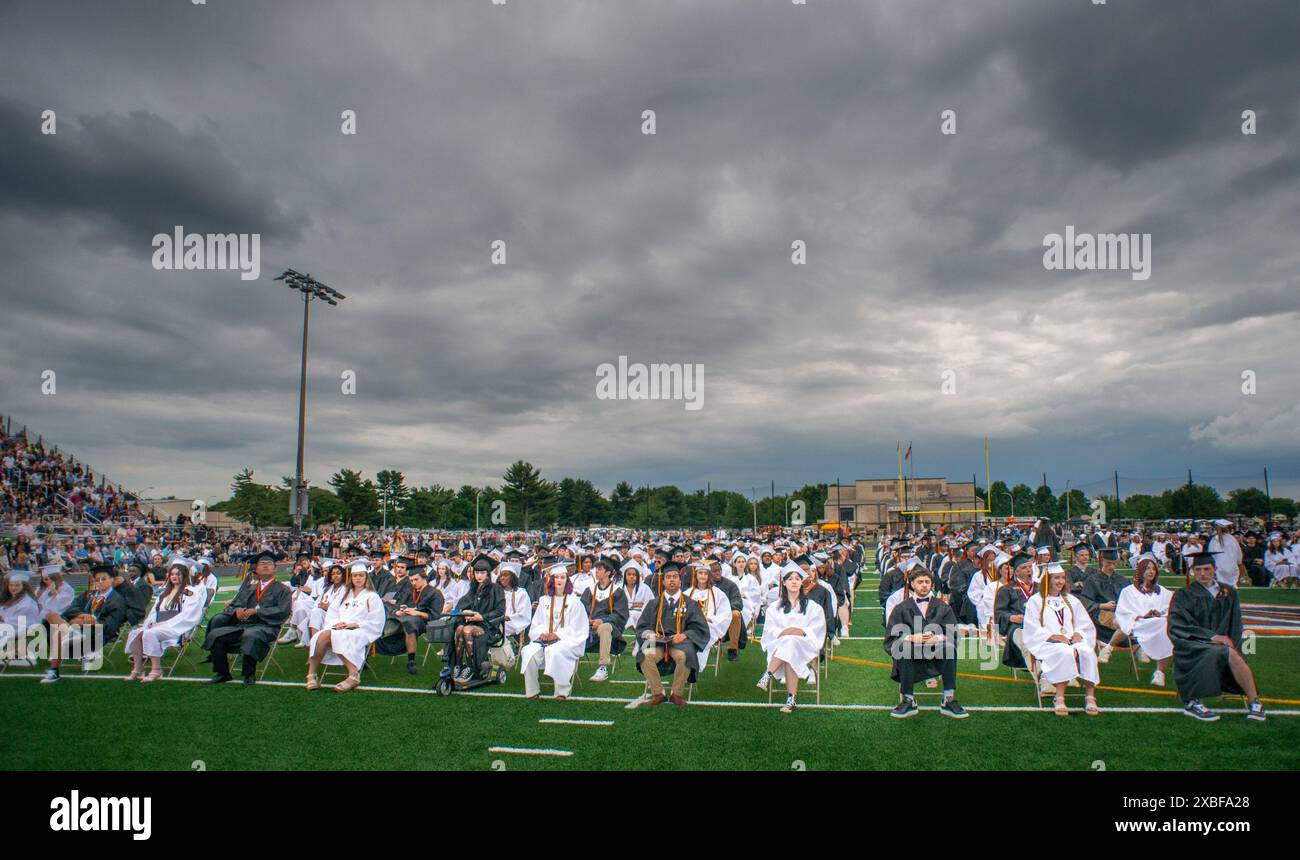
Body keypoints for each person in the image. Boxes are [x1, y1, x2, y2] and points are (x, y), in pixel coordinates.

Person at [1168, 550, 1266, 722]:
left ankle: (1255, 702)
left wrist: (1234, 644)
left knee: (1231, 652)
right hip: (1192, 643)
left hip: (1223, 645)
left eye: (1206, 569)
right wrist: (1211, 636)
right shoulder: (1184, 594)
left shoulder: (1228, 592)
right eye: (1198, 570)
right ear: (1193, 571)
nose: (1202, 573)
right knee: (1217, 651)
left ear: (1215, 569)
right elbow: (1177, 625)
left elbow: (1236, 623)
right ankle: (1193, 702)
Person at [882, 567, 966, 719]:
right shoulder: (901, 608)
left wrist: (938, 638)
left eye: (927, 582)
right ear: (912, 584)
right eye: (920, 582)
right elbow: (891, 636)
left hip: (937, 654)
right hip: (911, 654)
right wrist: (911, 637)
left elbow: (953, 633)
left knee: (949, 648)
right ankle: (908, 699)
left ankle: (948, 698)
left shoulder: (942, 607)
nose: (924, 585)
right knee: (904, 648)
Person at [201, 550, 292, 685]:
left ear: (275, 568)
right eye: (262, 564)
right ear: (256, 569)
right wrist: (237, 610)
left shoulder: (283, 589)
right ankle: (223, 673)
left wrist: (257, 611)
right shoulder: (250, 587)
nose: (265, 566)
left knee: (251, 635)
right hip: (243, 625)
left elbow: (283, 611)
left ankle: (249, 674)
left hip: (266, 627)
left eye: (269, 564)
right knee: (215, 635)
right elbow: (236, 603)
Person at [1023, 566, 1100, 716]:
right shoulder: (1036, 601)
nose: (1060, 581)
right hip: (1047, 643)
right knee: (1063, 651)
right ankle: (1059, 697)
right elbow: (1032, 627)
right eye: (1056, 578)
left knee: (1087, 652)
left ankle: (1090, 696)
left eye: (1062, 578)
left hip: (1072, 640)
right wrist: (1053, 636)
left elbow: (1084, 622)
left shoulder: (1071, 600)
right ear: (1048, 580)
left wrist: (1078, 632)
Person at [634, 561, 709, 707]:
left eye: (675, 576)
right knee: (645, 655)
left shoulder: (690, 603)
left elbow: (700, 627)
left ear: (680, 581)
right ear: (663, 581)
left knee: (685, 656)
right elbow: (642, 626)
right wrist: (649, 634)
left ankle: (677, 694)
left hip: (680, 641)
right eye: (668, 577)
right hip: (657, 640)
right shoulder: (653, 603)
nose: (672, 580)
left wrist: (685, 635)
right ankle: (658, 693)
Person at [758, 567, 827, 714]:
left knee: (790, 641)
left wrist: (790, 632)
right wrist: (792, 632)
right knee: (790, 646)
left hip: (806, 645)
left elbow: (815, 629)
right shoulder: (774, 607)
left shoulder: (812, 607)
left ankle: (768, 674)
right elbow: (770, 631)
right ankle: (791, 700)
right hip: (781, 645)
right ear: (784, 583)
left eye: (797, 579)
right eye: (790, 579)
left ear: (802, 582)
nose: (794, 582)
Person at [41, 564, 127, 683]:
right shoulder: (88, 595)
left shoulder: (117, 600)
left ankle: (54, 671)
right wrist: (80, 617)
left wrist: (92, 621)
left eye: (104, 579)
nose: (100, 582)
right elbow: (71, 609)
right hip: (76, 628)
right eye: (97, 580)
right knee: (50, 615)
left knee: (59, 634)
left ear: (112, 579)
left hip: (96, 633)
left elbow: (111, 626)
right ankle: (71, 633)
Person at [306, 563, 385, 692]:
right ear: (351, 578)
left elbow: (377, 620)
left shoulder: (372, 596)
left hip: (361, 630)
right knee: (319, 636)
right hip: (340, 628)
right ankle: (311, 675)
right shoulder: (345, 595)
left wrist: (353, 624)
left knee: (336, 636)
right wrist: (337, 624)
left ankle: (353, 675)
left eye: (361, 575)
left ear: (366, 577)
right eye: (355, 576)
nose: (358, 578)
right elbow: (332, 612)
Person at [124, 562, 205, 682]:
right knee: (135, 633)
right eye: (172, 574)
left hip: (176, 628)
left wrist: (165, 624)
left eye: (178, 574)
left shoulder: (190, 592)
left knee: (150, 634)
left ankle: (156, 669)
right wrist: (151, 622)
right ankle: (138, 668)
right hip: (159, 625)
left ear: (184, 575)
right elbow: (154, 612)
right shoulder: (164, 593)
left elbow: (189, 615)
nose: (174, 576)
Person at [519, 565, 589, 699]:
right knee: (527, 651)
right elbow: (536, 623)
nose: (559, 580)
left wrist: (557, 635)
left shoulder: (575, 602)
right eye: (556, 577)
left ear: (567, 581)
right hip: (544, 639)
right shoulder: (544, 600)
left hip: (567, 641)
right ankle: (532, 691)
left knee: (555, 651)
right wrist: (542, 634)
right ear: (551, 580)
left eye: (563, 577)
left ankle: (562, 691)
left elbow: (578, 627)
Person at [1114, 554, 1173, 687]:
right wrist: (1141, 616)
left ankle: (1160, 672)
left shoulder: (1162, 591)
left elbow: (1169, 609)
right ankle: (1146, 651)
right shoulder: (1128, 591)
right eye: (1147, 569)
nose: (1151, 572)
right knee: (1163, 625)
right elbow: (1123, 612)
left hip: (1159, 624)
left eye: (1153, 569)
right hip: (1139, 625)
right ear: (1140, 571)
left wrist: (1160, 613)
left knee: (1165, 624)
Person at [375, 565, 443, 672]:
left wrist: (417, 613)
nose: (413, 582)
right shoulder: (409, 591)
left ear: (424, 577)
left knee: (409, 622)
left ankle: (411, 661)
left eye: (416, 579)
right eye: (411, 580)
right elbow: (398, 604)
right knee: (383, 622)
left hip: (423, 622)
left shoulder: (435, 593)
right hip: (402, 619)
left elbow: (435, 616)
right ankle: (369, 652)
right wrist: (397, 611)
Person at [451, 556, 505, 682]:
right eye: (476, 572)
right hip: (472, 624)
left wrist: (482, 617)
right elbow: (461, 604)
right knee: (459, 628)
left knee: (467, 630)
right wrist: (465, 611)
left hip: (490, 627)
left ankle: (472, 667)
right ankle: (458, 665)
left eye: (482, 572)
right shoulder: (473, 589)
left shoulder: (496, 589)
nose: (479, 575)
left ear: (488, 573)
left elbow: (500, 611)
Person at [579, 558, 628, 682]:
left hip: (610, 630)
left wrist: (601, 620)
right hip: (588, 628)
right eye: (596, 569)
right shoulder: (589, 590)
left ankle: (603, 667)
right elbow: (580, 609)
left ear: (608, 573)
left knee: (604, 627)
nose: (596, 571)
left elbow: (620, 614)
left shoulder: (618, 592)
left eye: (600, 569)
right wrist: (588, 620)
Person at [684, 562, 731, 672]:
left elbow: (725, 613)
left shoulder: (717, 593)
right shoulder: (687, 593)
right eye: (700, 573)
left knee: (703, 631)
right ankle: (688, 663)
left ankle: (694, 665)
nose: (703, 576)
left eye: (705, 573)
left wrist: (712, 619)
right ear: (695, 575)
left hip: (710, 625)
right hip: (691, 625)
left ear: (709, 576)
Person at [1082, 548, 1127, 659]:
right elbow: (1084, 600)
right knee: (1123, 622)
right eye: (1108, 563)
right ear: (1102, 561)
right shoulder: (1092, 580)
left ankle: (1138, 645)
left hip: (1121, 612)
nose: (1111, 566)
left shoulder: (1122, 580)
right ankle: (1109, 647)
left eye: (1113, 563)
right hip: (1100, 613)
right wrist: (1102, 605)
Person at [0, 571, 40, 659]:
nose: (13, 588)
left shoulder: (28, 603)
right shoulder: (9, 599)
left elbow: (21, 623)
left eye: (17, 585)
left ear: (24, 586)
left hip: (19, 629)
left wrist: (3, 619)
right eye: (11, 585)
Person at [497, 564, 533, 637]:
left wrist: (506, 618)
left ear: (512, 577)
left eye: (505, 575)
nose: (502, 578)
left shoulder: (521, 594)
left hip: (512, 626)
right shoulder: (496, 592)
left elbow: (524, 616)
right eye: (501, 575)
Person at [620, 564, 653, 630]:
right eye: (629, 574)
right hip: (623, 615)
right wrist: (635, 605)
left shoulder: (645, 588)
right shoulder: (619, 588)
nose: (631, 576)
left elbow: (650, 604)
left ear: (638, 576)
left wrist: (636, 606)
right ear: (624, 576)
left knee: (632, 616)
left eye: (634, 575)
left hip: (640, 615)